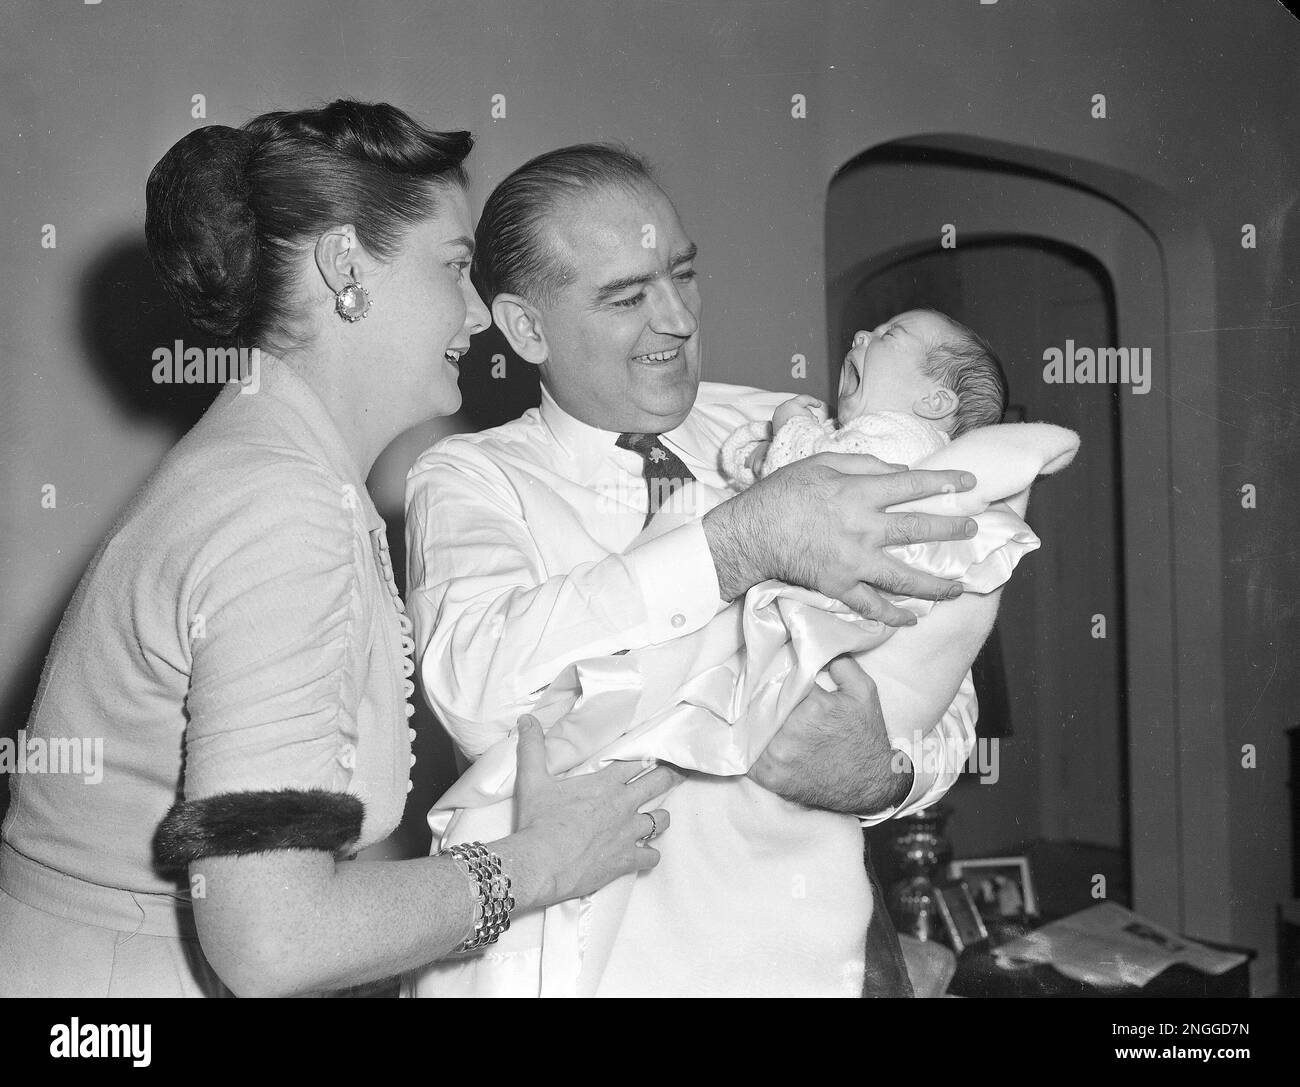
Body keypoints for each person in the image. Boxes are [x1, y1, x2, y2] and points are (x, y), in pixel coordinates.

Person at [0, 102, 681, 998]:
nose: (477, 315)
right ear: (345, 266)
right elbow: (274, 941)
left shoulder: (273, 457)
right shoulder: (282, 505)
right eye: (454, 267)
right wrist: (537, 864)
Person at [405, 144, 1000, 997]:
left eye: (682, 275)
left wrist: (885, 772)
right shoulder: (470, 480)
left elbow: (942, 677)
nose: (677, 319)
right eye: (627, 296)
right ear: (527, 328)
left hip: (804, 959)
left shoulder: (795, 431)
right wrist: (736, 544)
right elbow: (480, 696)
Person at [721, 309, 1007, 485]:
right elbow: (783, 475)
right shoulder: (840, 430)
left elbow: (811, 480)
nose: (860, 335)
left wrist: (791, 426)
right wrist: (760, 457)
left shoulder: (910, 445)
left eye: (890, 335)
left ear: (934, 402)